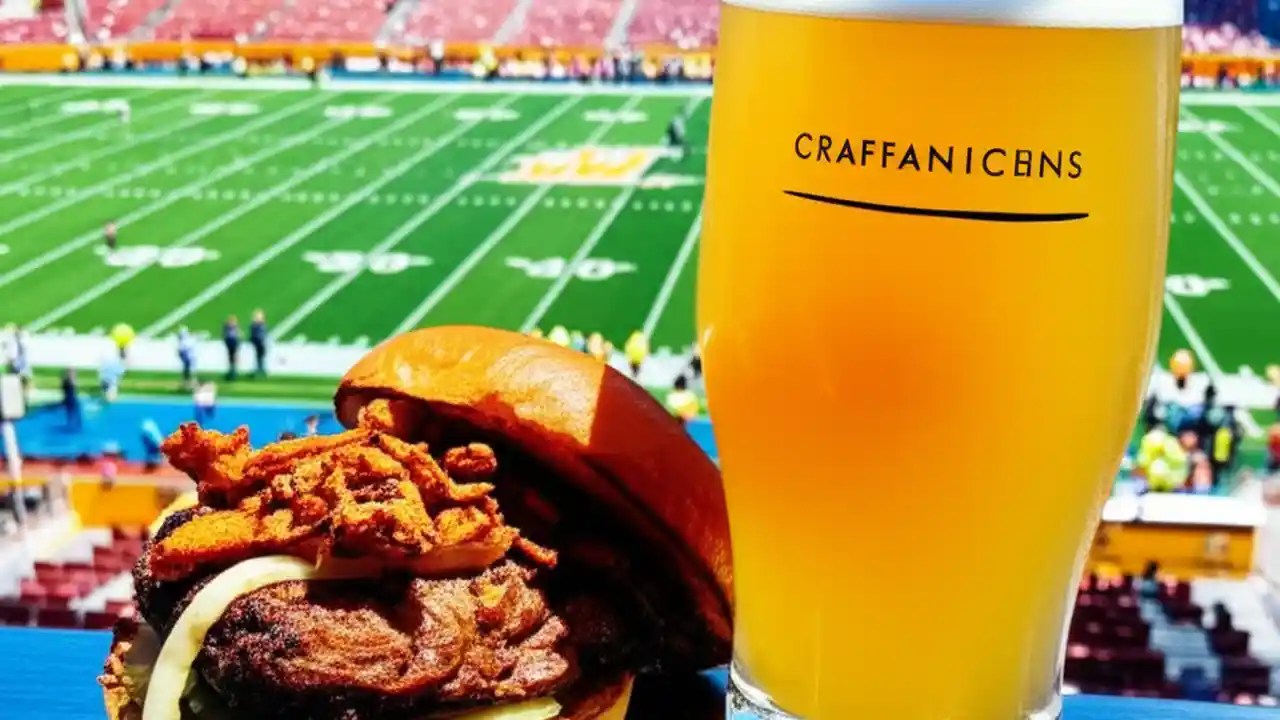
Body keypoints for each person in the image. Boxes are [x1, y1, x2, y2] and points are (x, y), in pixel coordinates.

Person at [249, 309, 268, 378]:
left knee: (260, 357)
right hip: (258, 342)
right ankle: (260, 370)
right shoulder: (257, 325)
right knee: (259, 357)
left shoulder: (260, 325)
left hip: (260, 342)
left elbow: (262, 334)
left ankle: (261, 370)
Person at [223, 315, 241, 380]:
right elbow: (225, 337)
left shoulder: (235, 328)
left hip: (234, 345)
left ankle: (233, 373)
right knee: (231, 359)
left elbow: (238, 337)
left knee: (234, 359)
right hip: (230, 345)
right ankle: (232, 372)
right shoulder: (227, 328)